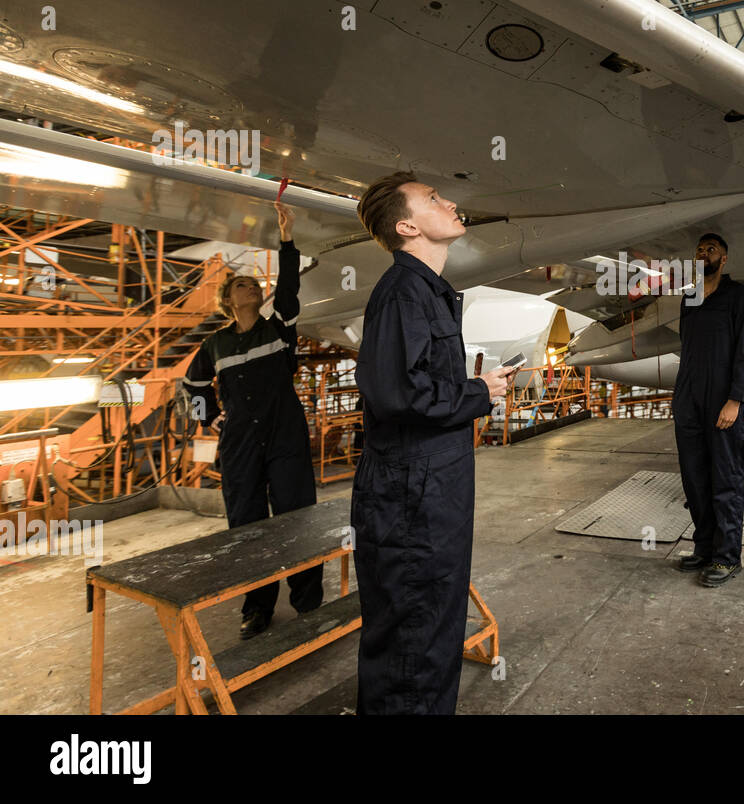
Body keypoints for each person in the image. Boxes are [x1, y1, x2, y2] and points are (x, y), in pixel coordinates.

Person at [351, 171, 515, 715]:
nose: (450, 202)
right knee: (413, 636)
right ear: (406, 225)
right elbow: (398, 393)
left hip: (432, 491)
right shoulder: (402, 293)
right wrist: (476, 392)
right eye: (432, 199)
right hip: (410, 498)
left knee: (435, 624)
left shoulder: (428, 292)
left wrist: (473, 391)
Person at [183, 203, 323, 639]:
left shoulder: (278, 327)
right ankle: (257, 606)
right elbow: (192, 387)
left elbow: (286, 288)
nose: (252, 287)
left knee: (295, 515)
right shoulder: (216, 344)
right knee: (246, 524)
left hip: (285, 437)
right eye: (243, 284)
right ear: (229, 299)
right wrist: (212, 422)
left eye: (254, 282)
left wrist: (286, 239)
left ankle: (307, 601)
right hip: (240, 444)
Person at [673, 233, 744, 588]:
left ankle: (727, 558)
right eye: (699, 250)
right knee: (695, 479)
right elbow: (687, 348)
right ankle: (705, 548)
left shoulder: (738, 298)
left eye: (710, 250)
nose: (702, 254)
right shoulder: (689, 297)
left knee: (725, 479)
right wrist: (680, 398)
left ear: (723, 259)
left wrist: (735, 400)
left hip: (724, 402)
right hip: (689, 401)